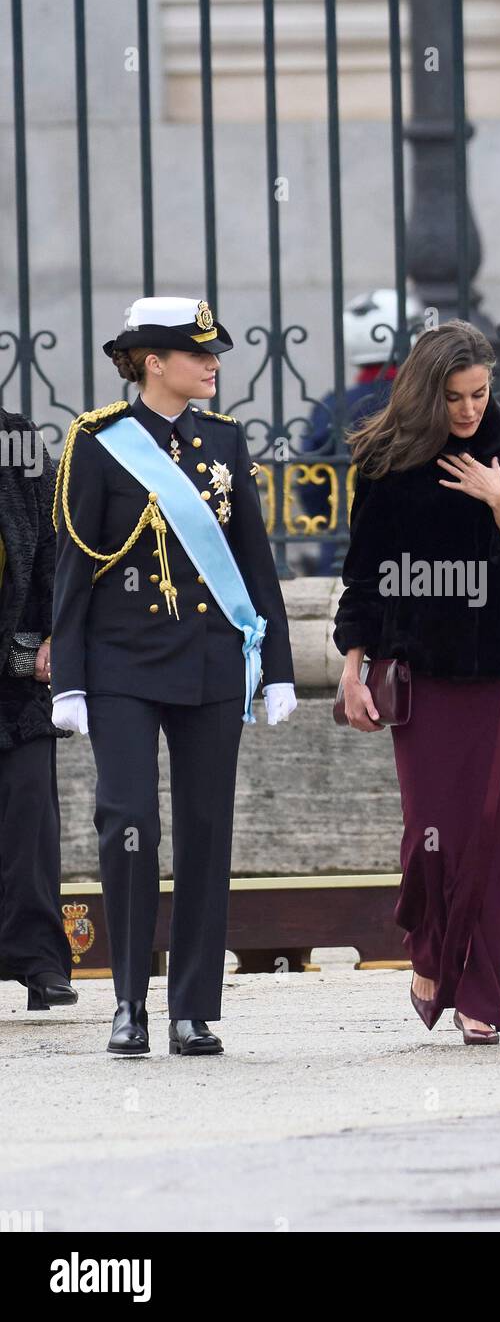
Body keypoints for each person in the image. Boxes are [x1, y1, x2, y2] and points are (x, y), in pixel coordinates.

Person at [50, 296, 297, 1057]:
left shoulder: (224, 440)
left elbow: (255, 561)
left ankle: (193, 1007)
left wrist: (278, 667)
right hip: (124, 664)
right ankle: (128, 1001)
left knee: (205, 830)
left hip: (212, 664)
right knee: (127, 823)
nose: (213, 363)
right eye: (198, 353)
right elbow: (74, 569)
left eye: (213, 351)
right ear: (153, 362)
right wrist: (69, 679)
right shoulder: (100, 444)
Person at [333, 319, 500, 1043]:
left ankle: (483, 996)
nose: (468, 411)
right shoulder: (387, 458)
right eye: (455, 397)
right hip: (421, 671)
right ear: (427, 392)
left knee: (490, 834)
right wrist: (351, 667)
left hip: (498, 668)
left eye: (480, 394)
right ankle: (429, 949)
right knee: (429, 837)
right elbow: (361, 575)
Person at [0, 408, 76, 1011]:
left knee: (30, 820)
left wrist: (51, 634)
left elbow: (55, 539)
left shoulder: (16, 438)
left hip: (14, 678)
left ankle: (40, 963)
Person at [299, 289, 422, 575]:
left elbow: (309, 481)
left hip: (347, 549)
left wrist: (332, 522)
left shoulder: (335, 405)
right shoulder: (428, 400)